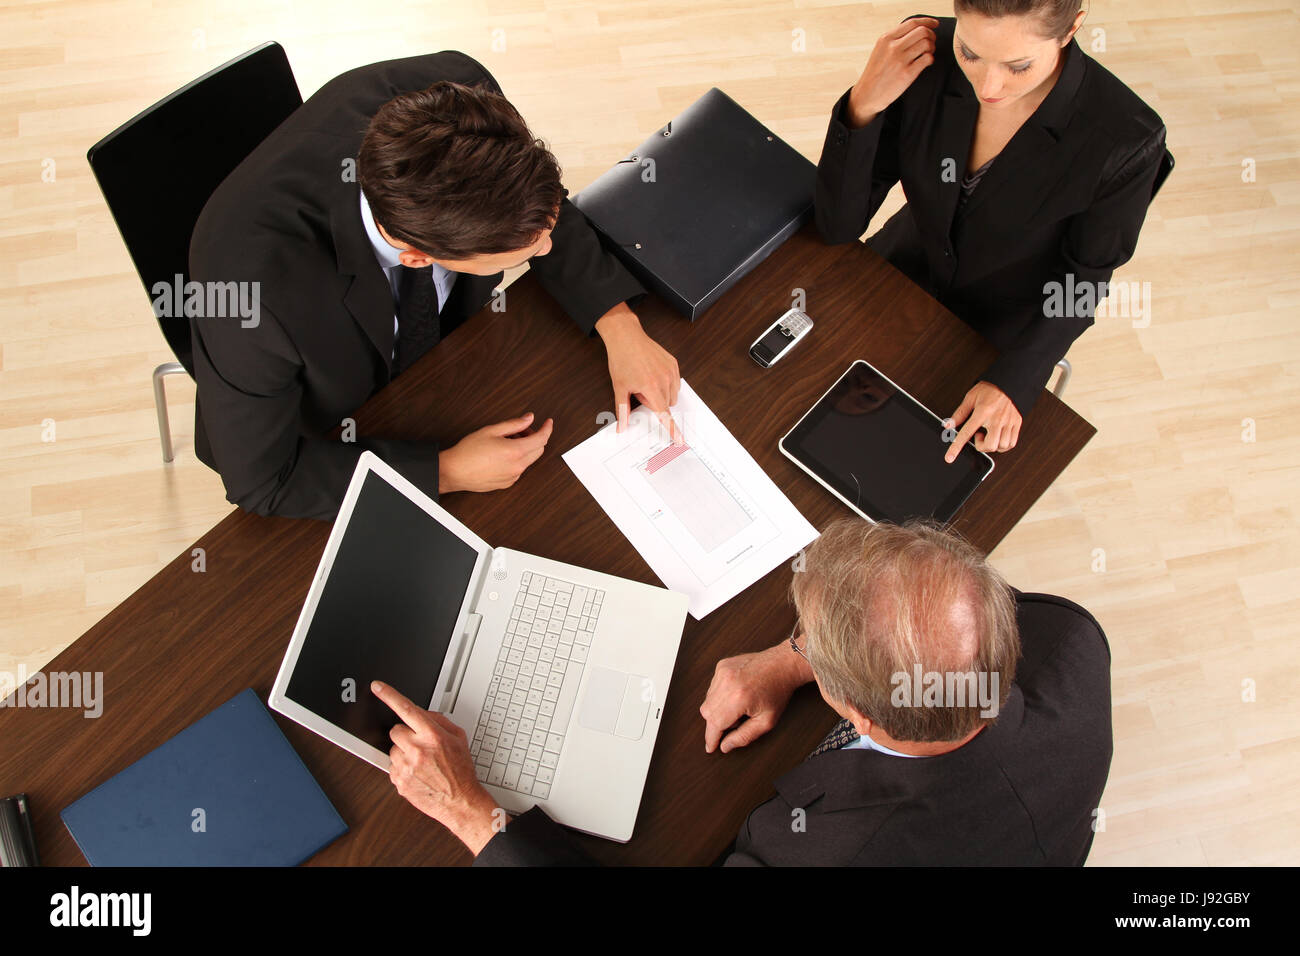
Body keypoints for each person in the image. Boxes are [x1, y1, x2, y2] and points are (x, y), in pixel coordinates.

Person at [372, 518, 1113, 865]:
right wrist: (792, 659)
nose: (800, 640)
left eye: (810, 639)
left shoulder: (823, 853)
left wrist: (471, 812)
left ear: (856, 712)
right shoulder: (1071, 646)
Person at [189, 51, 680, 520]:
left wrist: (618, 323)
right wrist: (446, 472)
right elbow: (264, 482)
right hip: (331, 411)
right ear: (417, 258)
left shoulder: (461, 99)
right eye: (524, 255)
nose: (550, 248)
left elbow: (537, 211)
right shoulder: (252, 304)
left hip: (447, 362)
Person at [815, 3, 1167, 460]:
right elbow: (837, 227)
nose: (987, 87)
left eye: (1018, 67)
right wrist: (863, 103)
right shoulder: (924, 56)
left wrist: (1013, 382)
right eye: (970, 53)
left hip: (1000, 333)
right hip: (898, 273)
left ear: (1071, 29)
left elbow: (1085, 279)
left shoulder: (1126, 138)